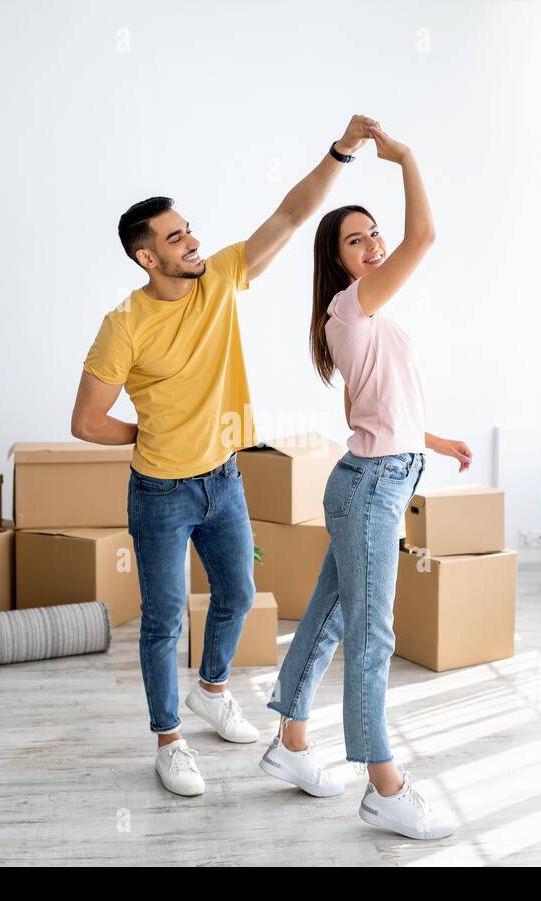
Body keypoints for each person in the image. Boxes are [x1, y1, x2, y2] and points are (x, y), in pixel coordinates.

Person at [71, 115, 382, 797]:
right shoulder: (123, 326)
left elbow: (293, 213)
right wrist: (155, 435)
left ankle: (211, 690)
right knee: (162, 622)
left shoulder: (219, 280)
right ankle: (169, 740)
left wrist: (341, 151)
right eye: (175, 236)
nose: (193, 241)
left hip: (224, 480)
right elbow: (87, 422)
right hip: (160, 492)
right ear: (146, 257)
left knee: (238, 595)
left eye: (189, 229)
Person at [260, 126, 472, 840]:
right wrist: (409, 157)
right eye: (358, 240)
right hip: (371, 490)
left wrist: (432, 440)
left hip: (372, 479)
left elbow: (367, 408)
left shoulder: (362, 316)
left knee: (329, 621)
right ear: (337, 260)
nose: (375, 245)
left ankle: (290, 746)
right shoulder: (352, 307)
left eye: (375, 234)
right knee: (372, 636)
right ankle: (385, 786)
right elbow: (427, 238)